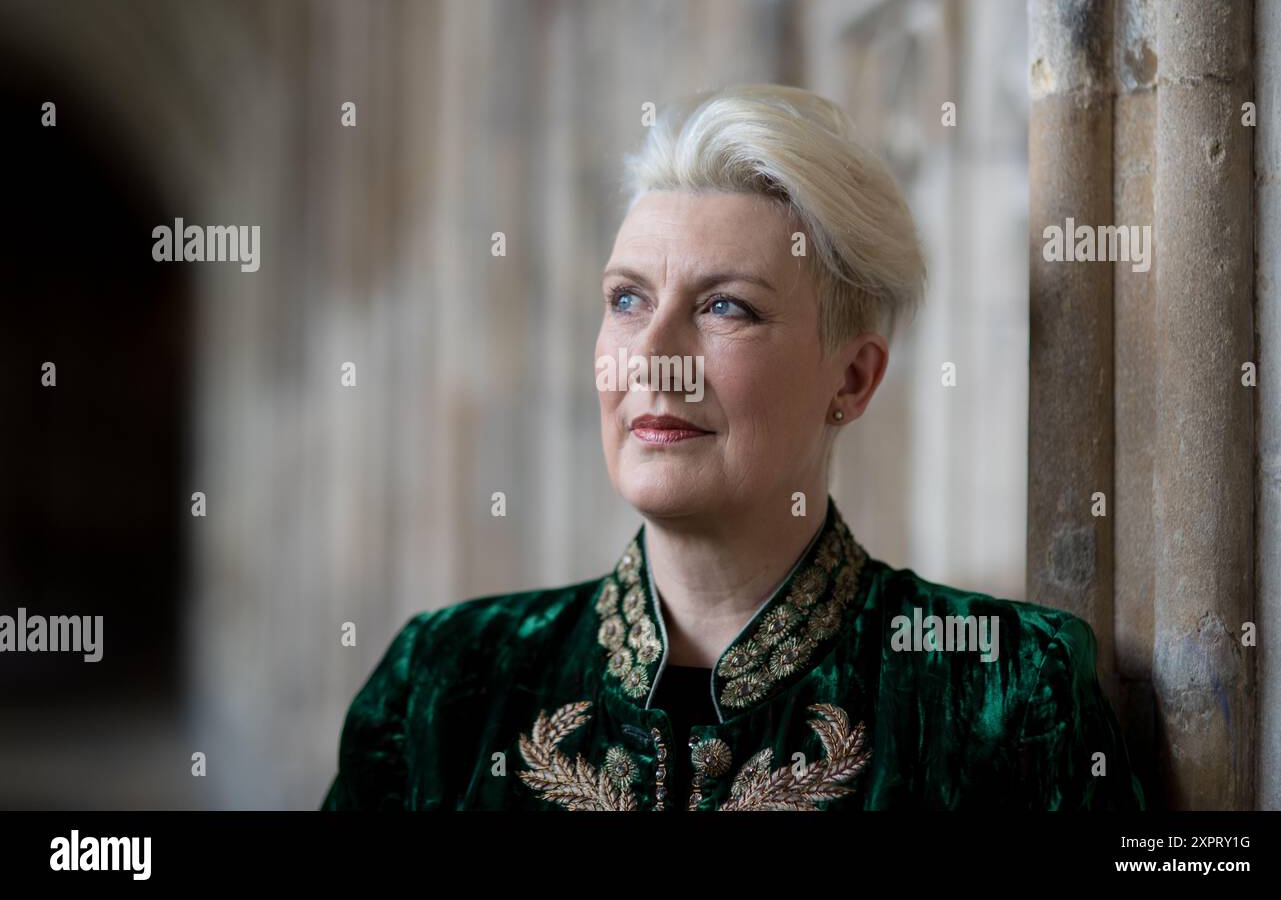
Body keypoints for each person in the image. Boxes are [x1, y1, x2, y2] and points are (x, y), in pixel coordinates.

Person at [320, 84, 1144, 811]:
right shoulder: (442, 683)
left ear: (851, 380)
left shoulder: (1005, 688)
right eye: (627, 299)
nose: (652, 358)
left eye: (726, 309)